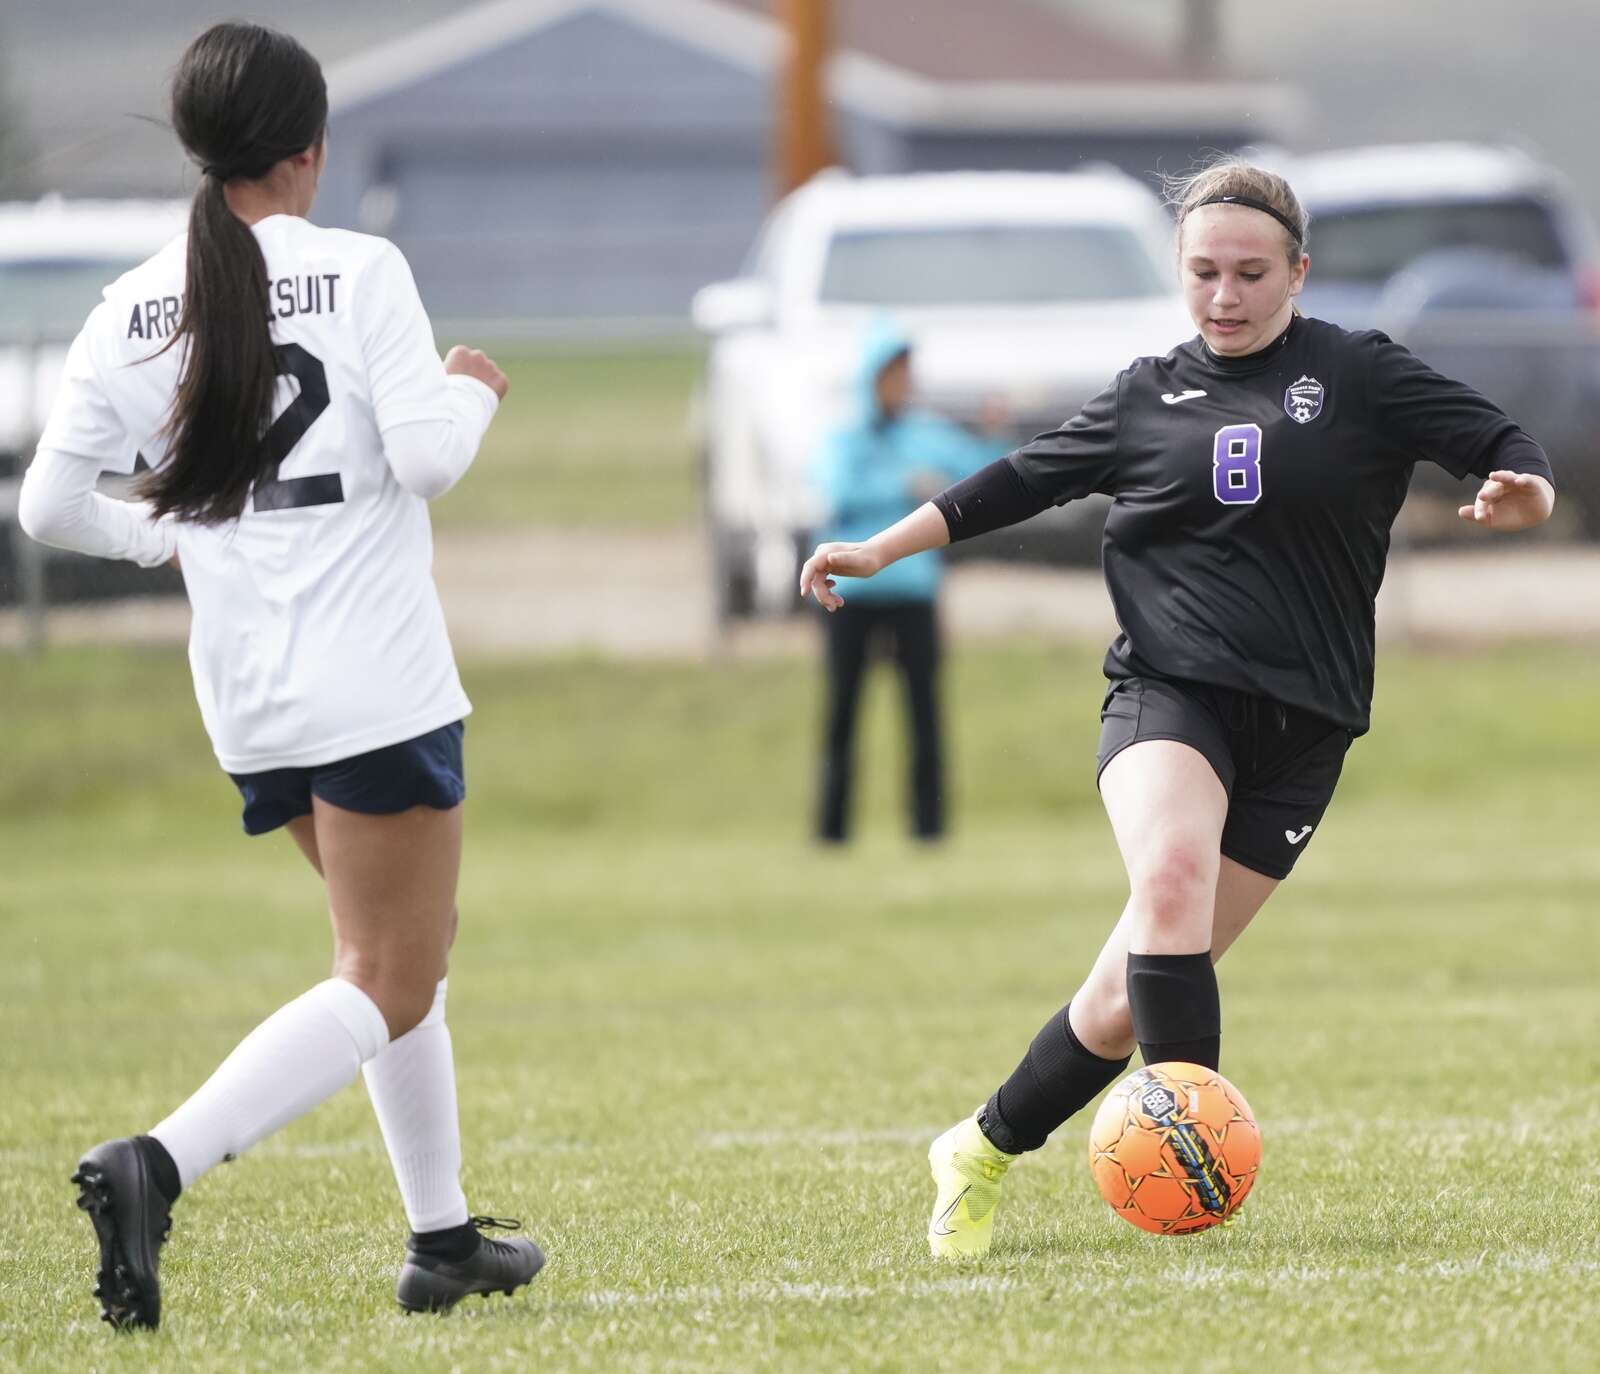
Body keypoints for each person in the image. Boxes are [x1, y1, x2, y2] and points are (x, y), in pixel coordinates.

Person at [797, 159, 1556, 1259]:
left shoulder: (1359, 373)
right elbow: (1016, 479)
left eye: (1251, 273)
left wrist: (1523, 489)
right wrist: (879, 548)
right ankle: (1191, 1170)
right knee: (1168, 881)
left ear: (1299, 272)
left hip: (1307, 728)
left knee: (1120, 1000)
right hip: (1168, 693)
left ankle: (979, 1145)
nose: (1224, 295)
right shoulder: (1145, 394)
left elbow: (1500, 443)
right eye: (1203, 272)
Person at [19, 23, 544, 1327]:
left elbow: (45, 507)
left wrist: (169, 539)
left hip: (250, 696)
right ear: (309, 150)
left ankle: (441, 1239)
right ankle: (157, 1163)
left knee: (401, 954)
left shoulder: (131, 306)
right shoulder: (360, 268)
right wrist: (473, 390)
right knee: (387, 973)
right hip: (372, 678)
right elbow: (427, 459)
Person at [810, 318, 1010, 842]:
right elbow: (835, 491)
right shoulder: (844, 438)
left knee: (924, 713)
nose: (902, 383)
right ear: (871, 378)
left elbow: (983, 475)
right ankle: (831, 831)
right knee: (842, 712)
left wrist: (995, 434)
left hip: (913, 592)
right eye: (892, 373)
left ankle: (929, 829)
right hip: (849, 598)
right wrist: (906, 487)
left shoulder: (927, 434)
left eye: (906, 373)